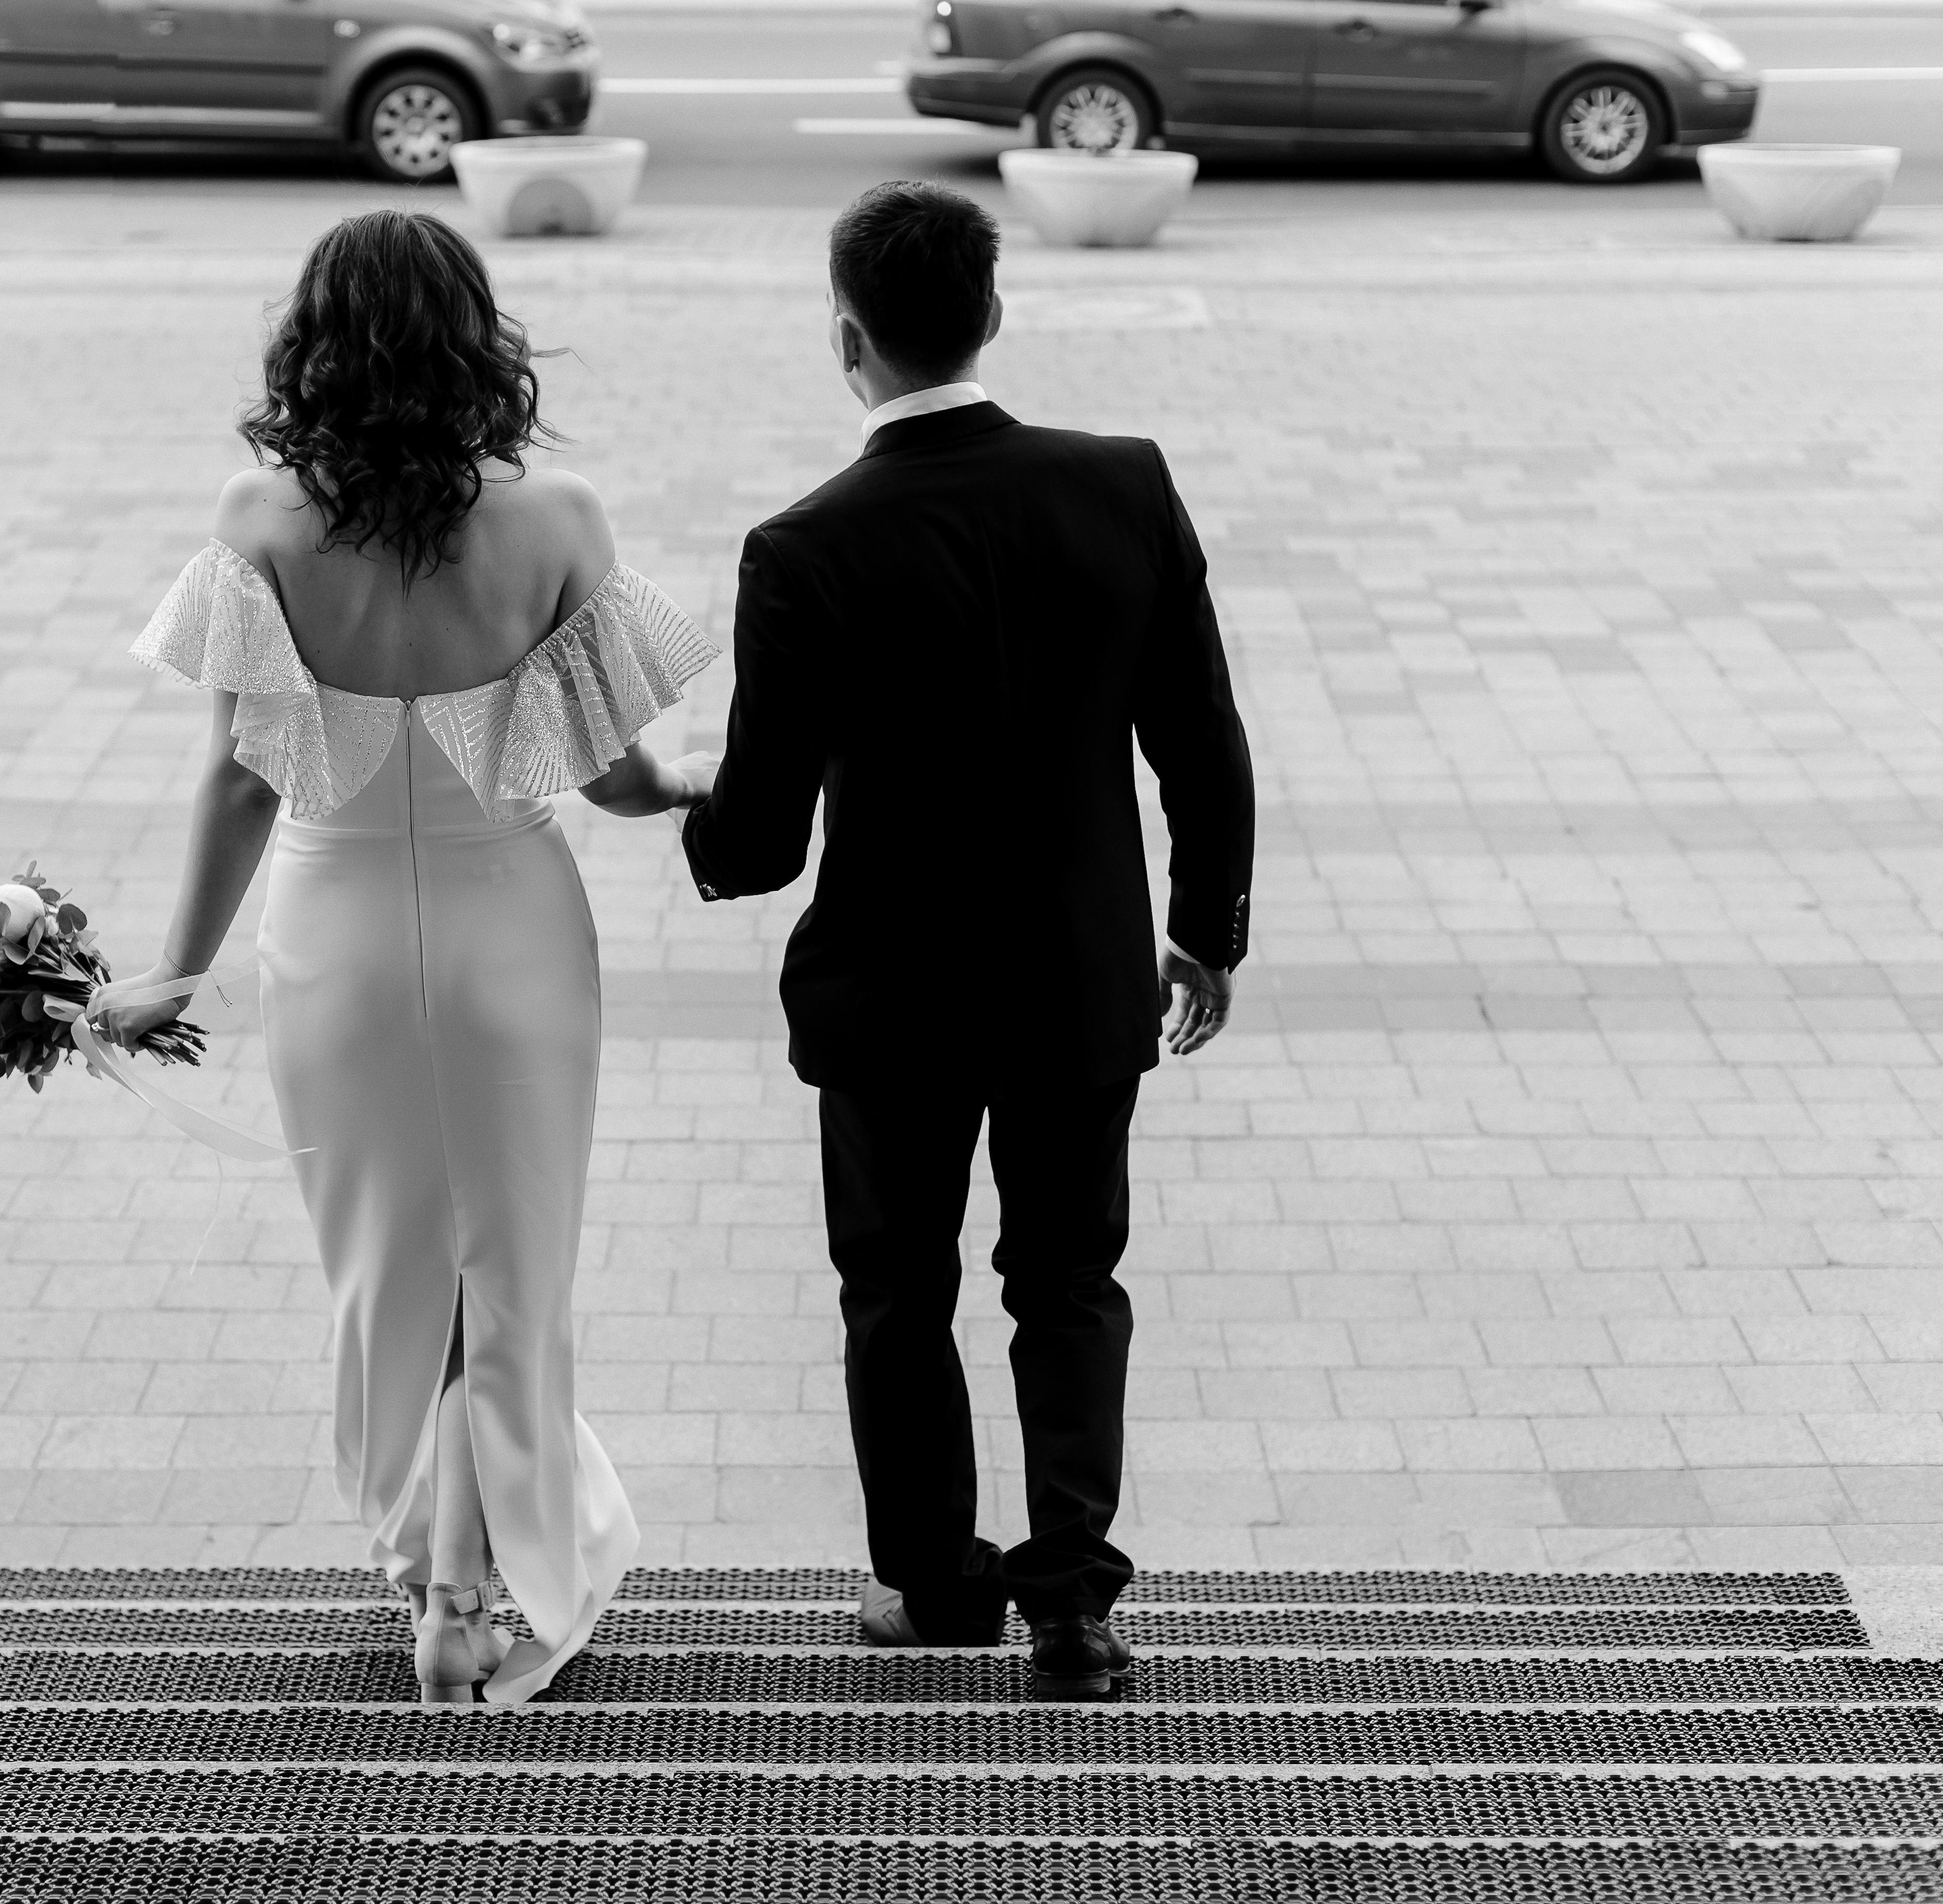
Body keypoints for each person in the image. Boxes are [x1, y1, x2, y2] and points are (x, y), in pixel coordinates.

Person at [102, 211, 719, 1705]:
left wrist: (172, 978)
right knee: (511, 1268)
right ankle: (484, 1589)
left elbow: (244, 780)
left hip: (339, 941)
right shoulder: (559, 522)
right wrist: (717, 791)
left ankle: (437, 1574)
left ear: (313, 346)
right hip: (513, 937)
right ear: (476, 343)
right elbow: (616, 781)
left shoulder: (260, 524)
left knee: (390, 1272)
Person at [677, 181, 1255, 1701]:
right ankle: (1073, 1608)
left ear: (847, 341)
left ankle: (937, 1589)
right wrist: (1205, 930)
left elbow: (762, 835)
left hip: (894, 993)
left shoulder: (804, 548)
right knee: (1069, 1280)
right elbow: (1200, 741)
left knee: (898, 1289)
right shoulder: (1124, 485)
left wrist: (686, 820)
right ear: (994, 315)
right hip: (1079, 976)